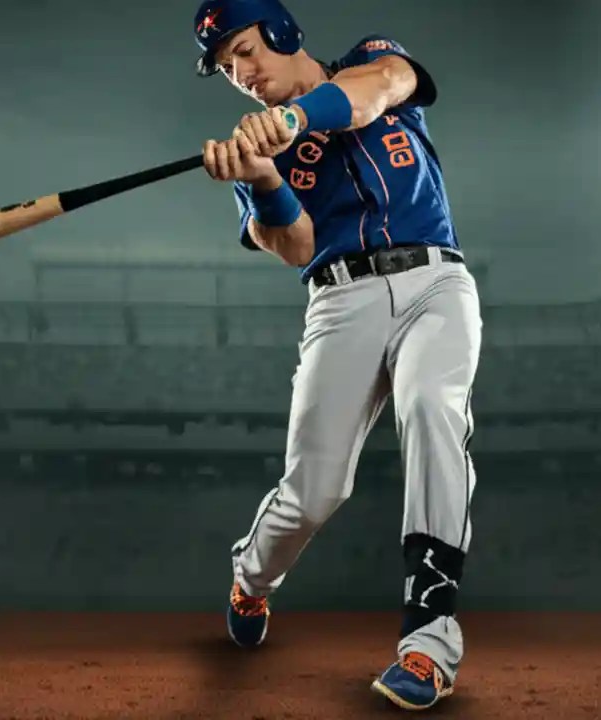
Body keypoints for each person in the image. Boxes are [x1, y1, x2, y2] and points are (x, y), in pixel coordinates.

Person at [194, 0, 483, 711]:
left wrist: (294, 120)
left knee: (433, 409)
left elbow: (376, 92)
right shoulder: (256, 150)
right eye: (225, 66)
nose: (241, 72)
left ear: (283, 31)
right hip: (339, 299)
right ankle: (251, 580)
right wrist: (263, 176)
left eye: (246, 48)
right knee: (314, 491)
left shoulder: (369, 59)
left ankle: (428, 641)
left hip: (435, 280)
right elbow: (294, 247)